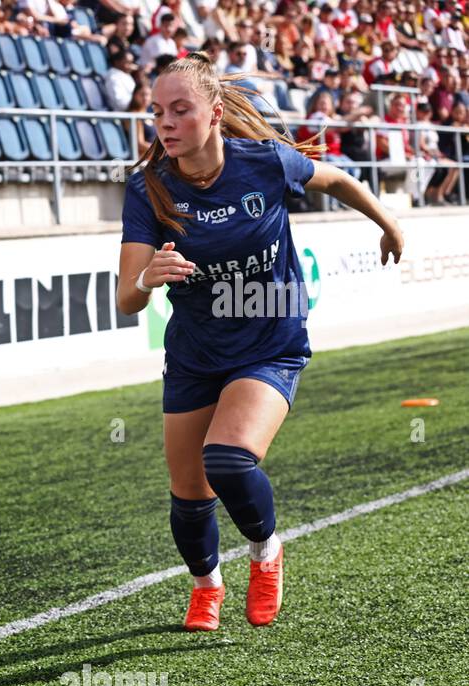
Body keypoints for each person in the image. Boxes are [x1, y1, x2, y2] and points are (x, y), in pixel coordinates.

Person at [117, 54, 403, 633]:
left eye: (180, 110)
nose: (165, 124)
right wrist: (149, 278)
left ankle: (265, 550)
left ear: (215, 113)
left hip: (270, 341)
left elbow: (341, 180)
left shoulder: (266, 163)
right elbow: (127, 297)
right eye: (157, 113)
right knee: (188, 496)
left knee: (227, 458)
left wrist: (387, 221)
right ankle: (206, 587)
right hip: (196, 353)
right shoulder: (148, 189)